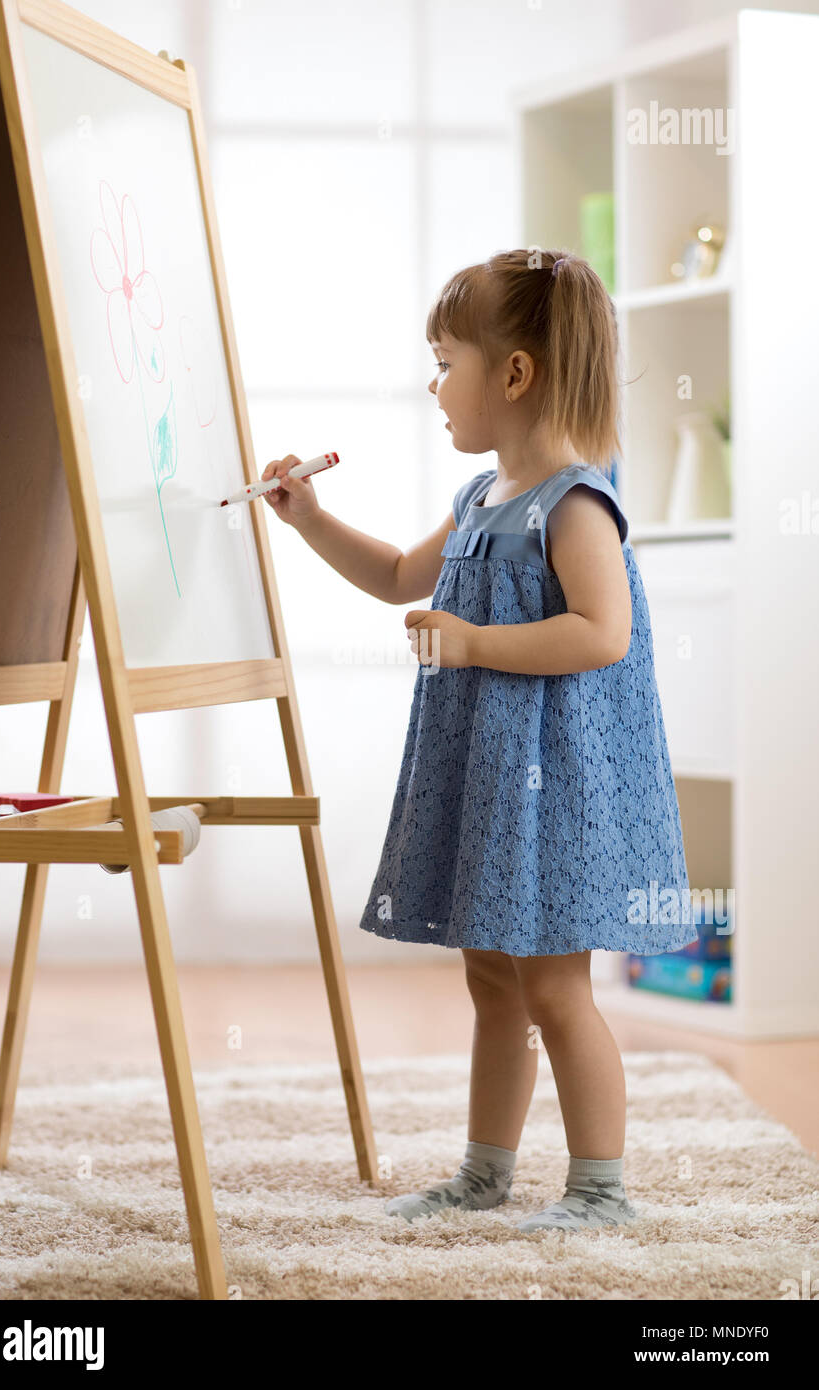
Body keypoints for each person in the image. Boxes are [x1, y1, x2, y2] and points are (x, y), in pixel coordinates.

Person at [259, 247, 696, 1233]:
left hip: (556, 788)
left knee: (552, 984)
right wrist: (309, 520)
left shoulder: (575, 502)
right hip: (495, 779)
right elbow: (392, 576)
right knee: (489, 974)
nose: (432, 383)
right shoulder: (477, 500)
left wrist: (473, 642)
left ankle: (599, 1188)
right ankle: (483, 1171)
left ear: (512, 374)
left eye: (445, 359)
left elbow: (602, 631)